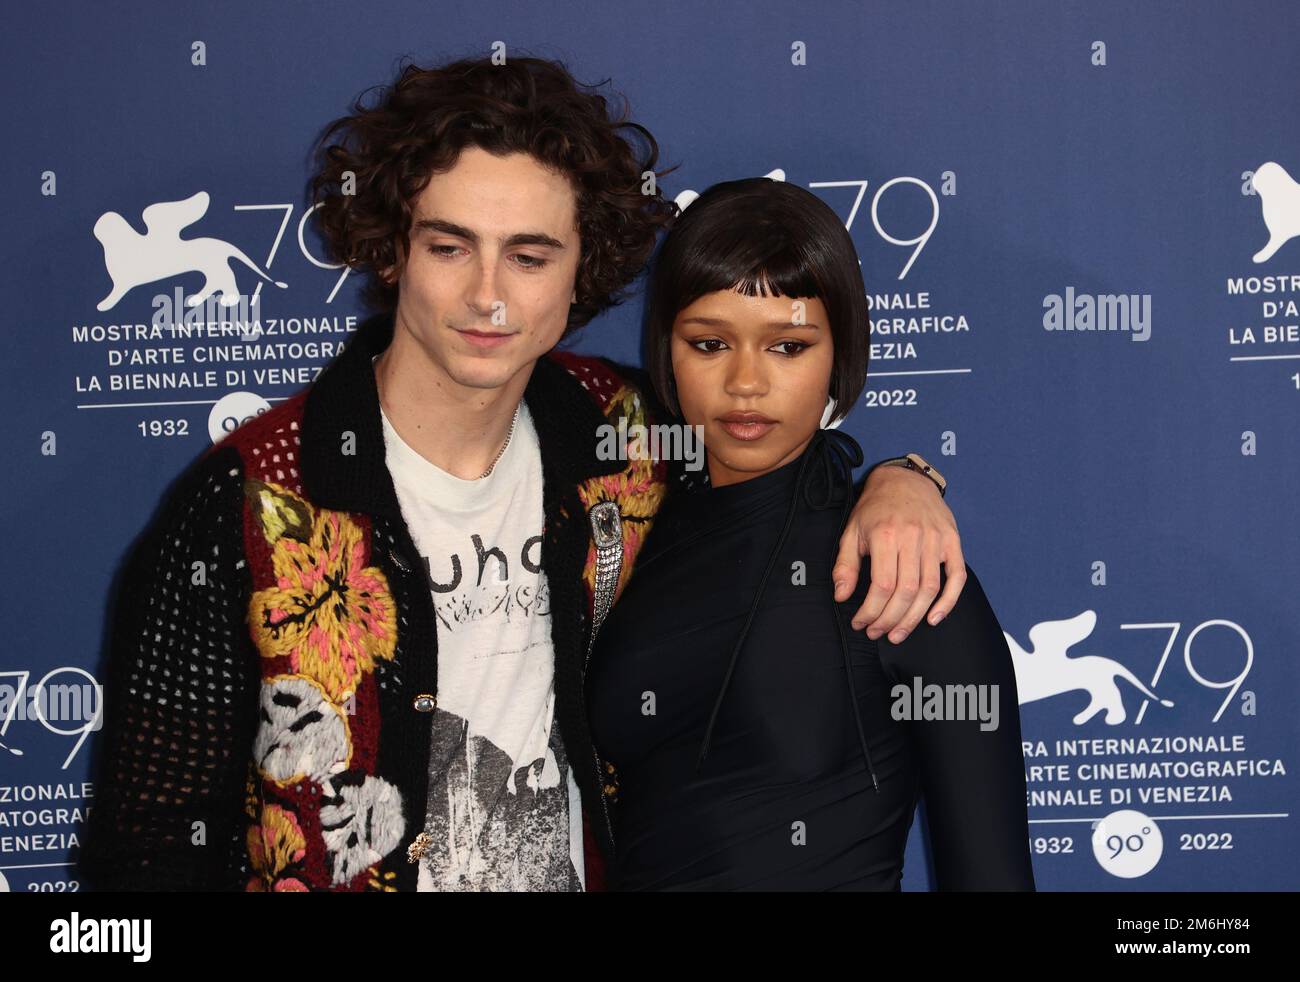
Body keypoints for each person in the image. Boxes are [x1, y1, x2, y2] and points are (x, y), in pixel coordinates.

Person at [78, 55, 966, 892]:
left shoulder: (627, 437)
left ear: (585, 269)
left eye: (531, 256)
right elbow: (151, 847)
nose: (489, 296)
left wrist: (903, 475)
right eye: (450, 247)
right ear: (391, 251)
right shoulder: (251, 500)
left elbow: (777, 458)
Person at [587, 177, 1036, 890]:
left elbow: (992, 878)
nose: (745, 384)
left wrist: (905, 477)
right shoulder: (625, 531)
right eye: (708, 343)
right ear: (665, 352)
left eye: (788, 347)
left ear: (841, 355)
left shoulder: (900, 569)